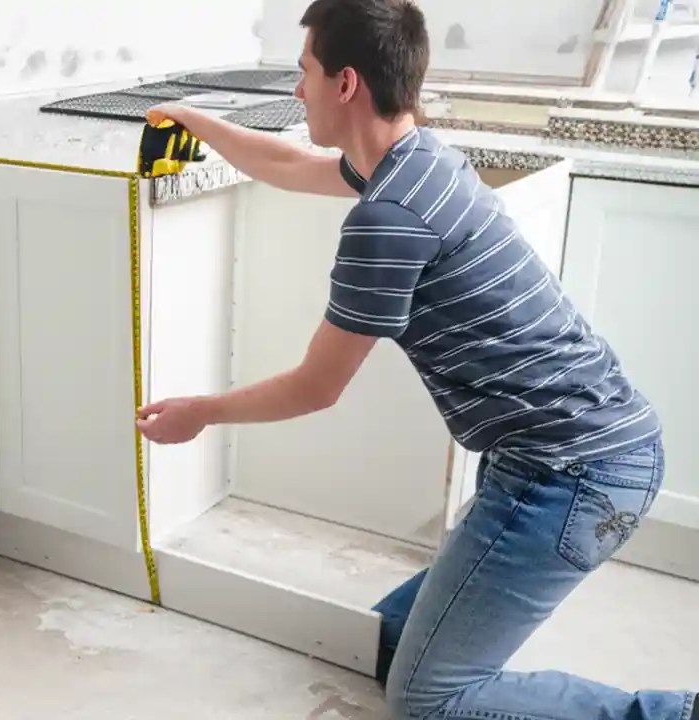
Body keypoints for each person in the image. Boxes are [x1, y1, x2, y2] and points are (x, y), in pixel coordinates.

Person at [136, 1, 697, 718]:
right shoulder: (417, 158)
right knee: (388, 638)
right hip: (572, 457)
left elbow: (317, 386)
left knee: (431, 700)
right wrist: (194, 118)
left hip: (574, 478)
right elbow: (290, 162)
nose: (296, 89)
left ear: (346, 85)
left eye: (304, 72)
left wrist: (200, 413)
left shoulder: (390, 217)